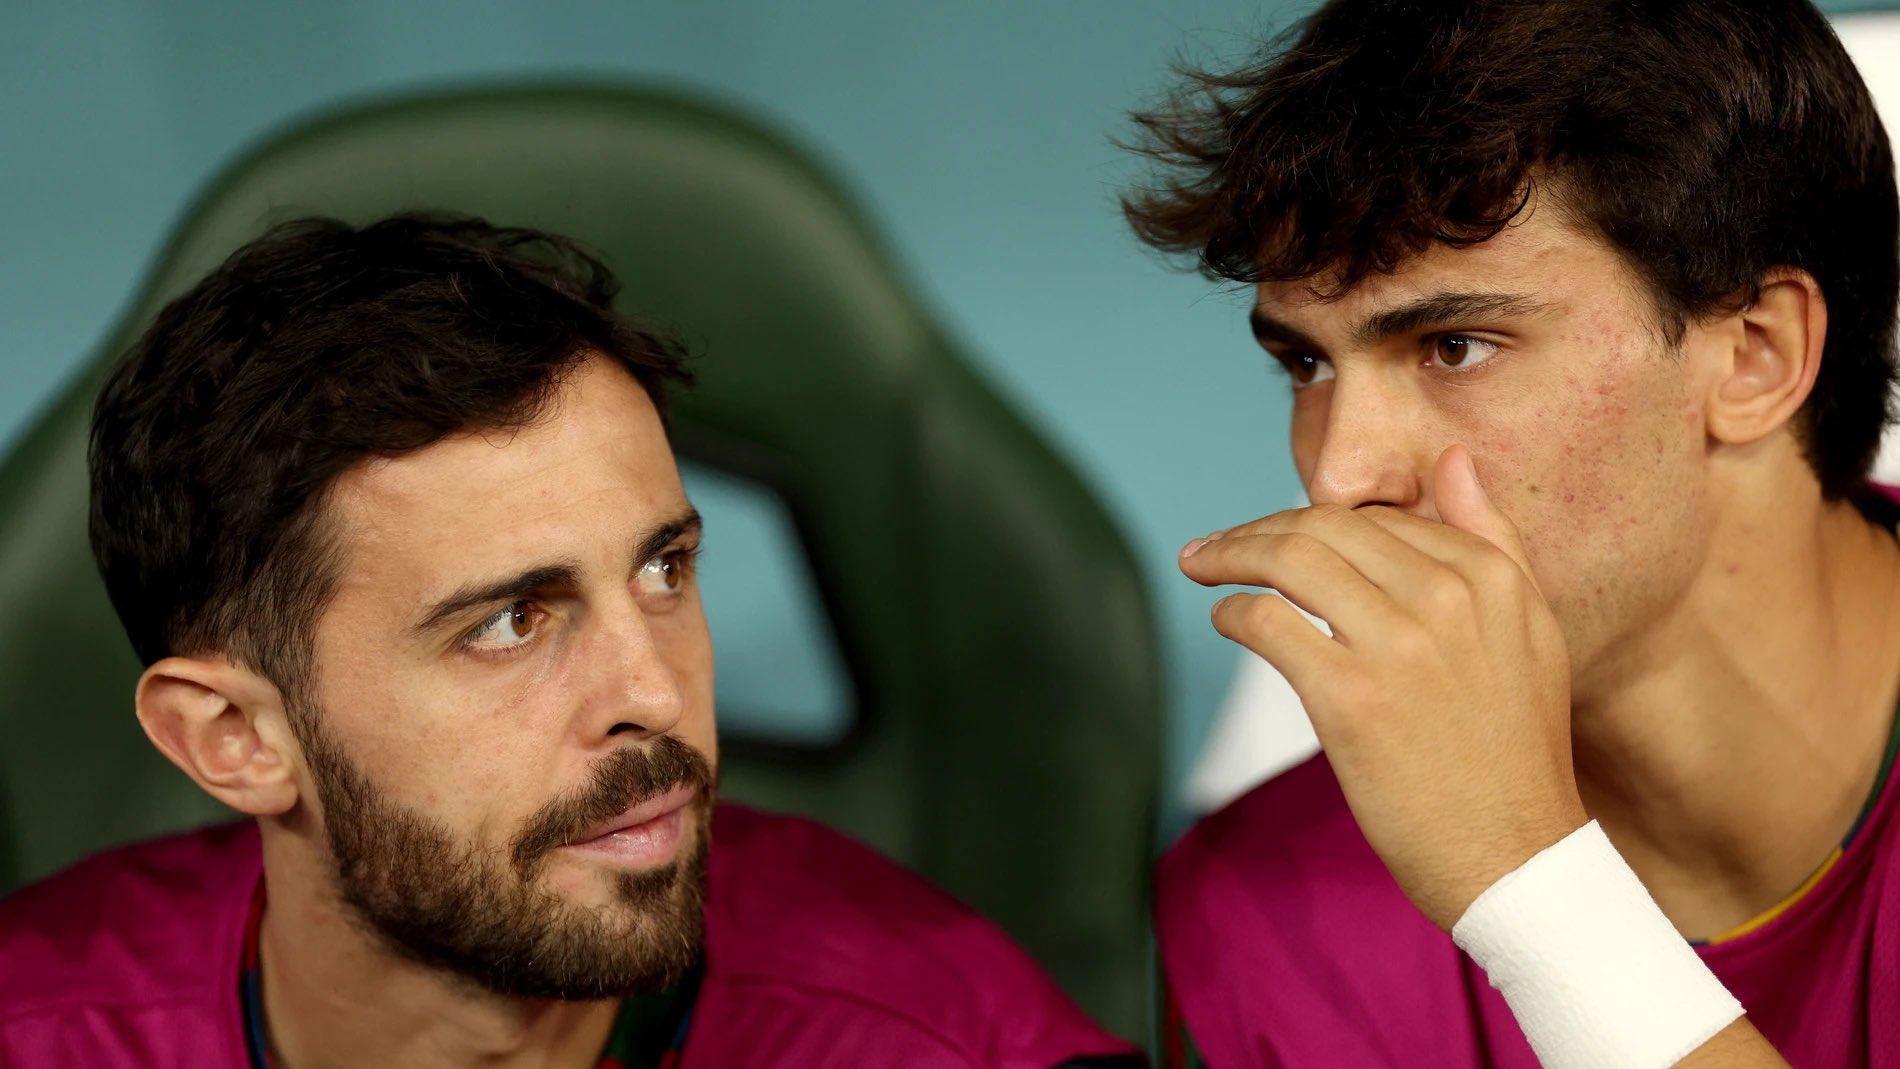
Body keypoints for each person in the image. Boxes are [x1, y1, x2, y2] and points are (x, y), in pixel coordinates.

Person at [0, 214, 1142, 1069]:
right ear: (235, 736)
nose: (654, 692)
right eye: (509, 621)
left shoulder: (943, 1038)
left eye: (664, 569)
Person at [1125, 0, 1900, 1065]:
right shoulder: (1261, 916)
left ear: (1755, 356)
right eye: (1306, 363)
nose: (1340, 476)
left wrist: (1525, 884)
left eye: (1455, 346)